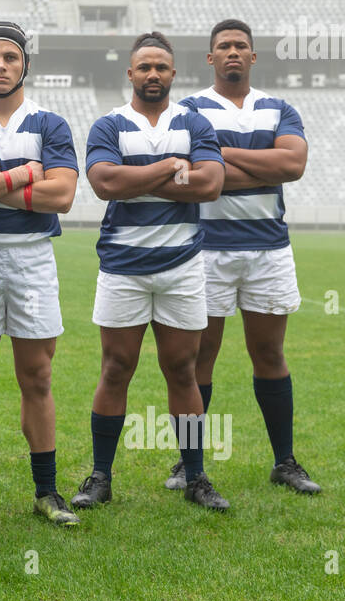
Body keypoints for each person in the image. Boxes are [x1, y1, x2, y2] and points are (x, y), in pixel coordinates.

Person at [71, 31, 229, 512]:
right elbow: (104, 183)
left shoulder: (195, 122)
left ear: (174, 73)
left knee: (182, 370)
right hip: (123, 266)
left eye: (161, 67)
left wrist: (138, 176)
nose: (153, 74)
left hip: (181, 266)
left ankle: (196, 476)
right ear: (131, 73)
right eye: (145, 67)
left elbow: (211, 183)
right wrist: (170, 167)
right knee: (116, 368)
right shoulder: (109, 124)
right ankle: (100, 476)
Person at [172, 19, 319, 494]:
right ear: (210, 58)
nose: (232, 52)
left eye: (241, 46)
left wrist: (223, 156)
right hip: (207, 250)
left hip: (268, 251)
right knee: (200, 359)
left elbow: (292, 165)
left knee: (270, 353)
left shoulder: (279, 108)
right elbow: (196, 174)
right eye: (223, 47)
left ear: (253, 57)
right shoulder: (191, 108)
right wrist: (258, 165)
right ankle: (188, 465)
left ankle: (285, 461)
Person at [0, 21, 80, 526]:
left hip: (31, 256)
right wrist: (28, 174)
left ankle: (46, 491)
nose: (1, 66)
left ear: (25, 63)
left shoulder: (49, 123)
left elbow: (63, 196)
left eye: (10, 57)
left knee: (38, 376)